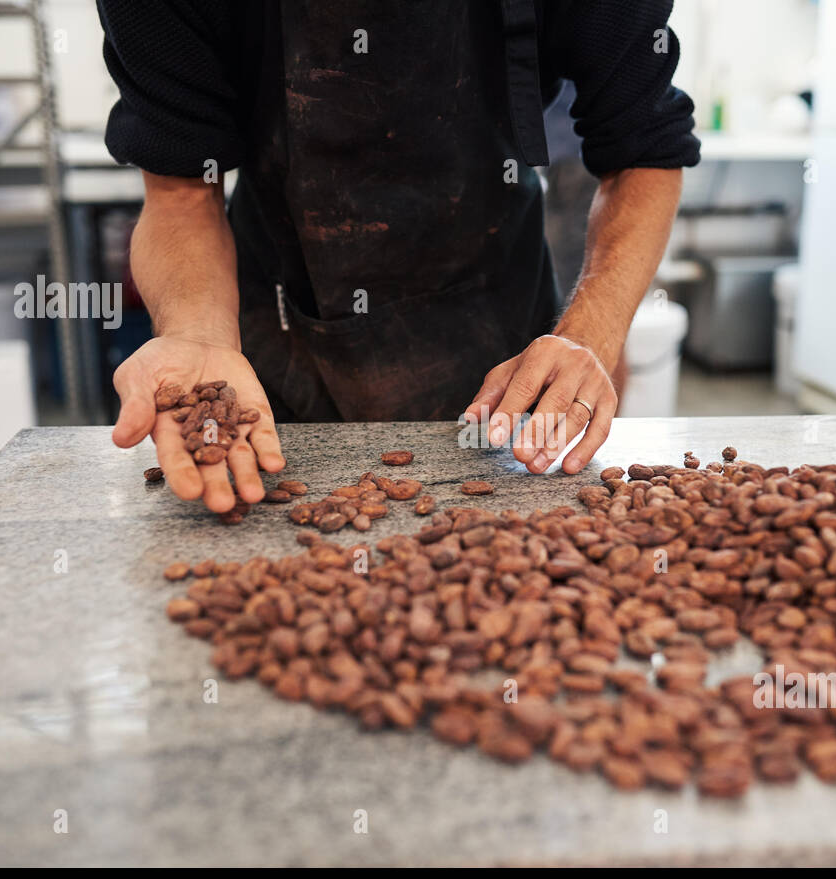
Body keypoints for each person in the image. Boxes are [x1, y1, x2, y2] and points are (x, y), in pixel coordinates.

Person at [99, 0, 699, 513]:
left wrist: (589, 336)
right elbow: (180, 193)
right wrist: (197, 333)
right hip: (273, 334)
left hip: (501, 341)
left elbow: (642, 149)